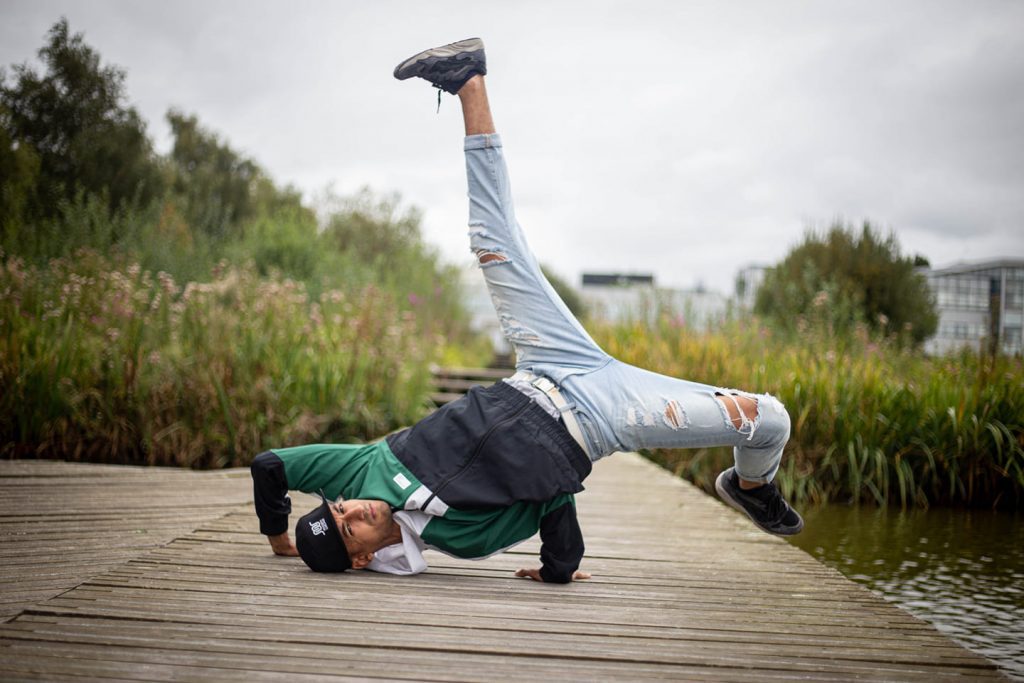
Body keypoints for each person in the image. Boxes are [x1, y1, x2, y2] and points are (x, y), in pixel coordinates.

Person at [250, 37, 802, 584]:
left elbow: (271, 465)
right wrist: (559, 569)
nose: (356, 511)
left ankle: (467, 78)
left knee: (492, 238)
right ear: (364, 557)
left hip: (545, 358)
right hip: (601, 419)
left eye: (340, 508)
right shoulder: (462, 540)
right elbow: (551, 501)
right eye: (349, 530)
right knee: (770, 419)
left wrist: (281, 541)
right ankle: (751, 486)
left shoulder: (363, 470)